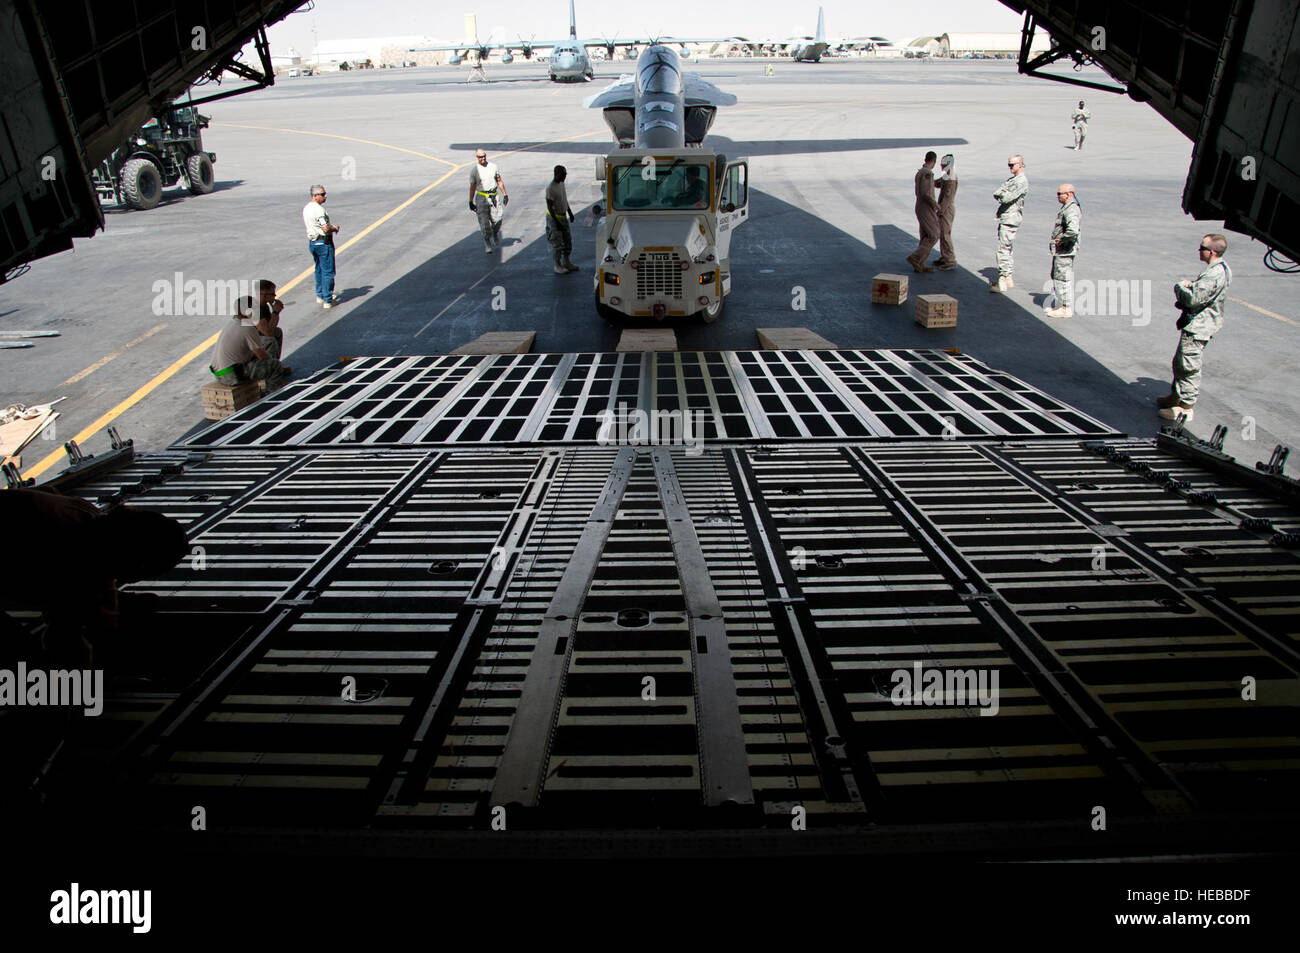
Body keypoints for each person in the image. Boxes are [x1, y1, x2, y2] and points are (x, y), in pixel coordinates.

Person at [0, 488, 188, 669]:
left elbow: (99, 566)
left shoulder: (88, 516)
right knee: (23, 655)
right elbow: (66, 637)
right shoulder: (70, 558)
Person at [1158, 234, 1231, 422]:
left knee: (1189, 365)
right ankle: (1176, 397)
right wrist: (1194, 285)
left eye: (1202, 248)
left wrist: (1180, 288)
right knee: (1180, 361)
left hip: (1199, 326)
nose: (1199, 251)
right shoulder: (1218, 269)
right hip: (1199, 324)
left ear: (1212, 252)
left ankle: (1185, 407)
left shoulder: (1215, 273)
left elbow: (1193, 299)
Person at [208, 288, 290, 391]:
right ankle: (274, 391)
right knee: (274, 365)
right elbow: (262, 355)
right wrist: (275, 367)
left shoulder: (234, 322)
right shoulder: (248, 328)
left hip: (221, 373)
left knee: (268, 343)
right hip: (231, 376)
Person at [991, 154, 1028, 292]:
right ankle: (1007, 277)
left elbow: (1006, 197)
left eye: (1012, 165)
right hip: (1007, 217)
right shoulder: (1013, 180)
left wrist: (1002, 194)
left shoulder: (1021, 182)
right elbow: (998, 192)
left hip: (1011, 218)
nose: (1010, 167)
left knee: (1003, 248)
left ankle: (1003, 277)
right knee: (1007, 247)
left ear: (1020, 164)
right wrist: (1002, 193)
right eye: (1009, 165)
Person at [1045, 183, 1081, 319]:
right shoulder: (1067, 208)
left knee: (1062, 277)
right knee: (1057, 276)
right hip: (1062, 250)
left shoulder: (1071, 210)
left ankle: (1066, 308)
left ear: (1069, 194)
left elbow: (1073, 230)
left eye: (1060, 193)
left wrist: (1062, 240)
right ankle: (1061, 305)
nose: (1057, 196)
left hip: (1065, 250)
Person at [303, 185, 340, 308]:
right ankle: (328, 299)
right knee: (328, 271)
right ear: (315, 195)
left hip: (313, 243)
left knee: (318, 269)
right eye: (323, 194)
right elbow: (325, 228)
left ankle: (320, 295)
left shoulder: (307, 208)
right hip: (323, 243)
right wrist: (334, 228)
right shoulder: (318, 210)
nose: (325, 196)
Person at [906, 151, 940, 273]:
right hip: (925, 207)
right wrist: (935, 205)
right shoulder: (927, 173)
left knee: (925, 235)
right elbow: (926, 193)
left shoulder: (921, 172)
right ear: (934, 161)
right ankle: (915, 257)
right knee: (934, 235)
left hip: (921, 206)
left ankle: (920, 263)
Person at [469, 148, 508, 253]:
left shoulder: (493, 167)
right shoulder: (475, 170)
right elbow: (472, 186)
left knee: (498, 219)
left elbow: (499, 180)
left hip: (494, 196)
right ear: (477, 158)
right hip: (482, 197)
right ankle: (487, 242)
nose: (483, 158)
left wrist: (505, 194)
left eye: (484, 156)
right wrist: (470, 201)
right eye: (481, 157)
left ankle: (495, 233)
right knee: (484, 223)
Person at [545, 165, 580, 274]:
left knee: (567, 241)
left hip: (563, 216)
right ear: (557, 174)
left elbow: (564, 199)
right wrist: (556, 223)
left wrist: (570, 212)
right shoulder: (550, 188)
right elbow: (550, 207)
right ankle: (557, 265)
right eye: (563, 175)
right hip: (554, 218)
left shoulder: (561, 184)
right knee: (558, 243)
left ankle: (566, 262)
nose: (565, 177)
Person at [934, 154, 958, 270]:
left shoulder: (951, 178)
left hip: (947, 209)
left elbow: (947, 198)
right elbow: (939, 183)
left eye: (943, 164)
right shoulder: (946, 175)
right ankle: (945, 256)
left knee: (945, 234)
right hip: (945, 208)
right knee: (942, 233)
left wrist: (940, 211)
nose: (941, 166)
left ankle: (950, 260)